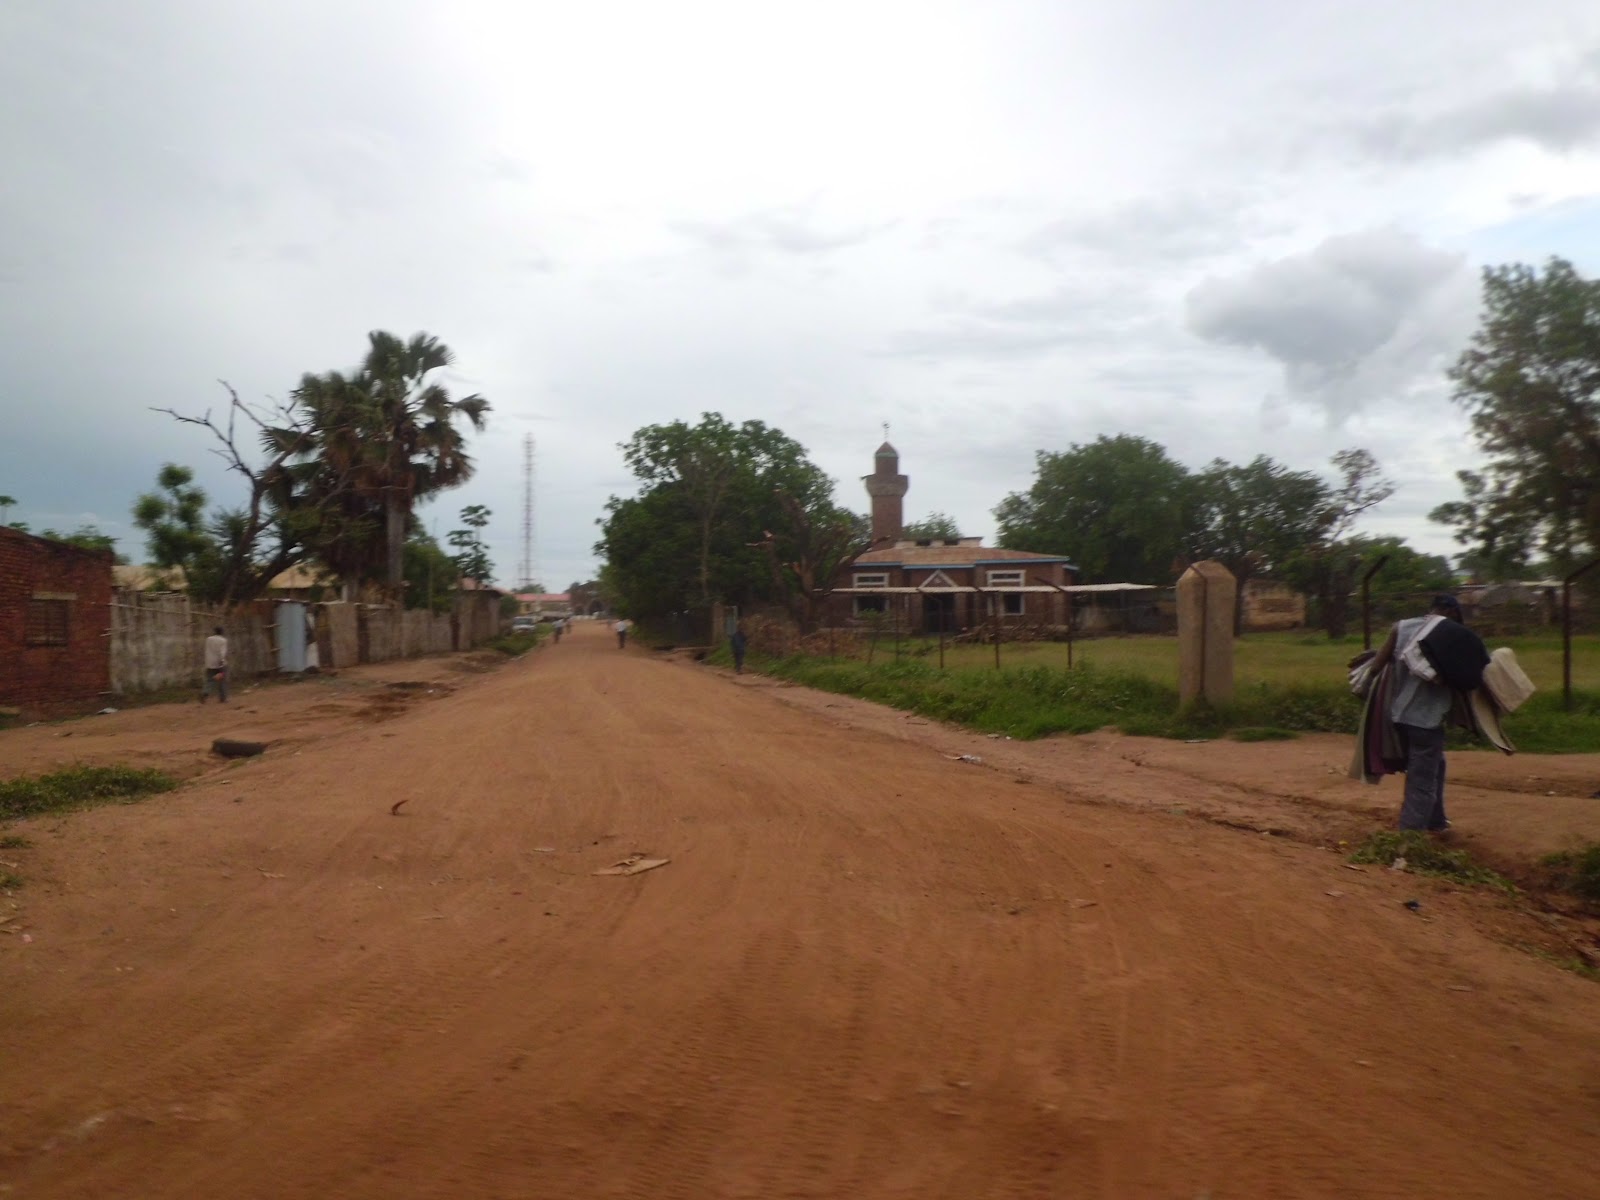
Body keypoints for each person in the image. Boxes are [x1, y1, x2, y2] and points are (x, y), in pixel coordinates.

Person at [1366, 594, 1468, 832]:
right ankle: (1409, 838)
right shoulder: (1453, 635)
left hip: (1399, 715)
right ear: (1450, 612)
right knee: (1421, 781)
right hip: (1427, 720)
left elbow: (1375, 668)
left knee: (1435, 765)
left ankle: (1436, 821)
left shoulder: (1401, 627)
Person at [201, 625, 229, 703]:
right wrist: (222, 662)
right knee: (222, 680)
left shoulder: (208, 639)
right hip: (219, 663)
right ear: (222, 632)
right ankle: (223, 698)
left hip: (209, 663)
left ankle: (205, 692)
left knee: (209, 679)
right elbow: (222, 652)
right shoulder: (223, 640)